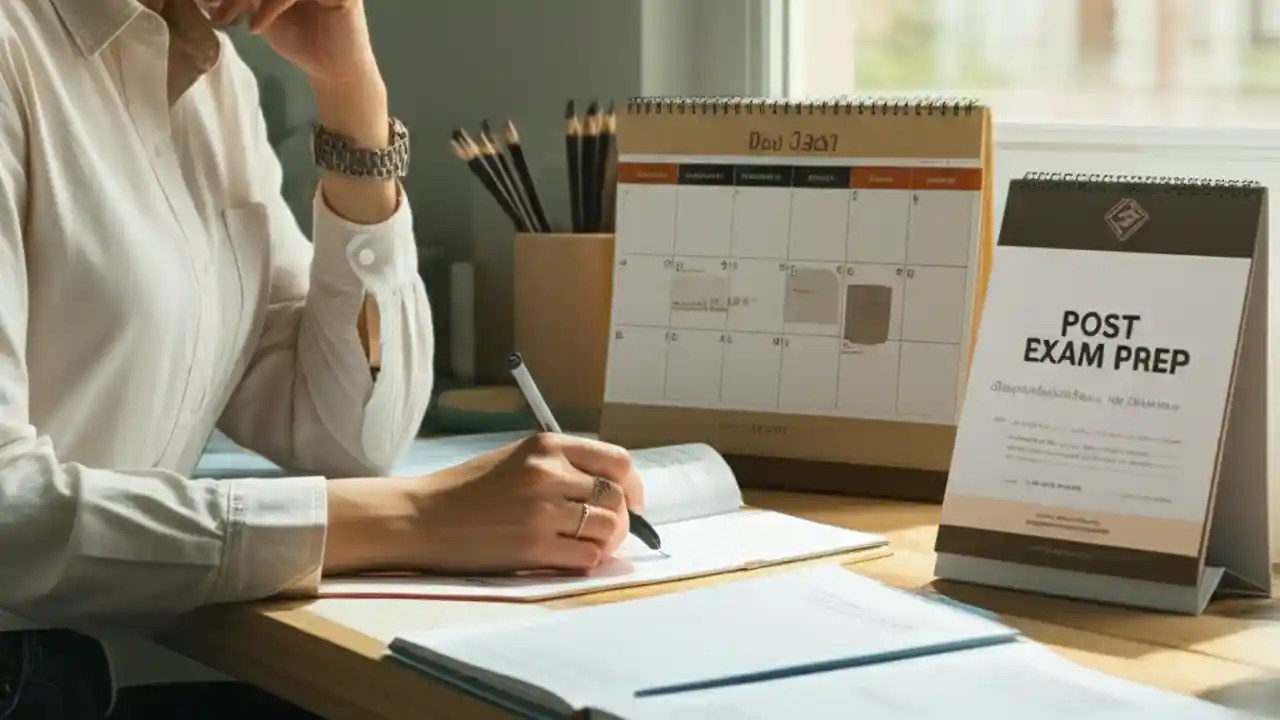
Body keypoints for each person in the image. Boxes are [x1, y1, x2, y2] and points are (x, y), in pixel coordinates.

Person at [0, 0, 645, 717]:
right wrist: (420, 516)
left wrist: (352, 93)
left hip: (95, 654)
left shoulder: (218, 86)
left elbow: (345, 433)